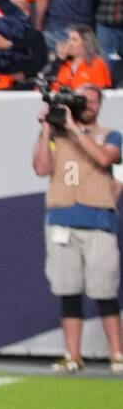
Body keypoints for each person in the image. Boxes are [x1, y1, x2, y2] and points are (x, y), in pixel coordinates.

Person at [32, 84, 123, 373]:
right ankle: (73, 355)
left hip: (98, 219)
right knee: (67, 290)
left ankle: (117, 354)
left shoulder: (110, 135)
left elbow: (104, 158)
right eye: (84, 100)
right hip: (61, 219)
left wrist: (74, 128)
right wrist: (47, 128)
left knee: (104, 290)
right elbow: (41, 167)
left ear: (99, 105)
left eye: (93, 101)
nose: (88, 105)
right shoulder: (58, 135)